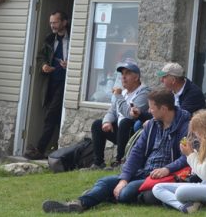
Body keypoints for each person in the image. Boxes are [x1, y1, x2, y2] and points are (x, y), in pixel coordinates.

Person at [42, 88, 191, 213]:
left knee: (124, 192)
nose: (149, 110)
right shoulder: (152, 125)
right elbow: (137, 153)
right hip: (144, 173)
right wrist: (125, 178)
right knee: (106, 181)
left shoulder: (186, 127)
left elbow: (188, 157)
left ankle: (101, 194)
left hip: (166, 177)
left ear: (164, 109)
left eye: (152, 107)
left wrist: (166, 169)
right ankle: (77, 205)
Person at [89, 59, 150, 169]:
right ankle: (98, 162)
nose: (123, 77)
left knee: (125, 122)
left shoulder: (144, 93)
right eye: (122, 74)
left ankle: (120, 161)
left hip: (133, 133)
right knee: (97, 124)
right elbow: (112, 110)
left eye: (127, 74)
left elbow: (130, 115)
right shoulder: (124, 93)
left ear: (136, 77)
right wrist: (107, 122)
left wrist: (118, 96)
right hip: (119, 131)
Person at [25, 10, 69, 160]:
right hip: (50, 82)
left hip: (65, 83)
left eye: (55, 22)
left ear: (64, 22)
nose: (53, 26)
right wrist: (44, 65)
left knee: (51, 116)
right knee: (53, 117)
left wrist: (69, 65)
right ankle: (56, 149)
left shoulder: (72, 39)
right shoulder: (50, 39)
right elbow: (41, 56)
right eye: (51, 23)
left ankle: (40, 149)